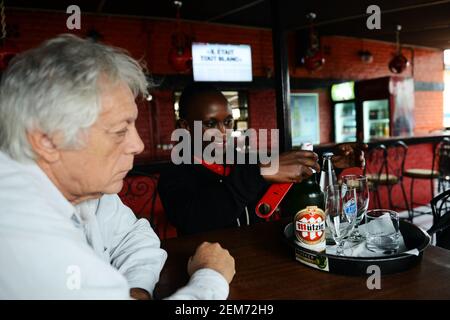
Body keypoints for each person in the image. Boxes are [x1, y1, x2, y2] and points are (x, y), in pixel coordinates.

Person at [0, 34, 235, 299]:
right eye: (120, 130)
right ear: (47, 141)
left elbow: (136, 237)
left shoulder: (86, 191)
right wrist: (210, 276)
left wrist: (135, 291)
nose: (138, 145)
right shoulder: (20, 233)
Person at [158, 83, 367, 236]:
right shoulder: (175, 173)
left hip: (260, 260)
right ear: (185, 127)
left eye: (228, 122)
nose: (223, 132)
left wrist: (332, 167)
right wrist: (259, 173)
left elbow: (295, 188)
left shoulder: (247, 161)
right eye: (210, 123)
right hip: (210, 274)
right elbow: (197, 220)